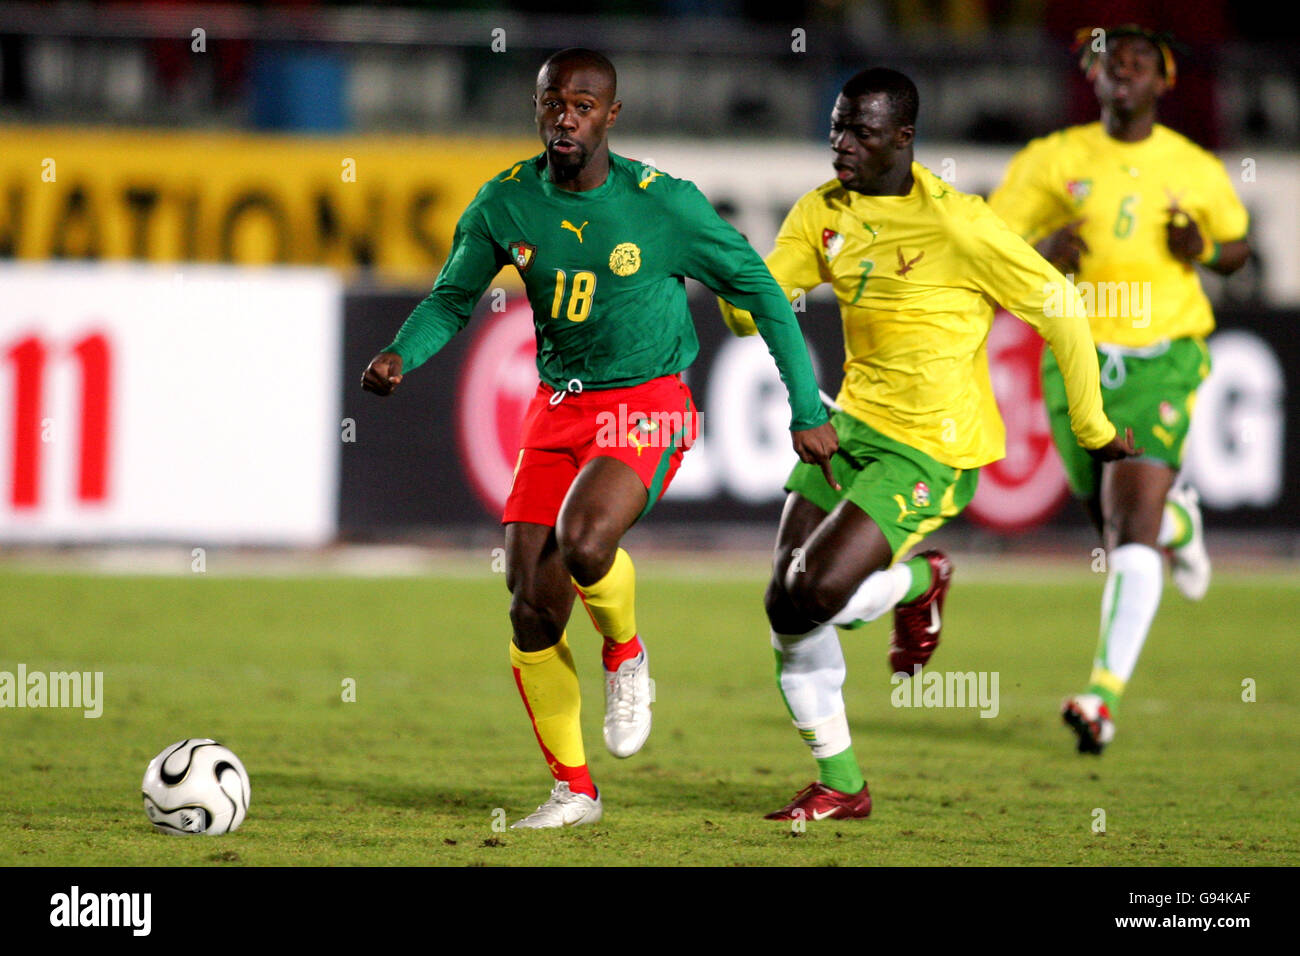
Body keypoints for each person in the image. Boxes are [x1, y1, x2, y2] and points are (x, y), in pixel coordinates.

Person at [361, 48, 838, 828]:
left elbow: (761, 292)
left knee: (585, 540)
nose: (565, 118)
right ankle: (575, 791)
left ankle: (626, 654)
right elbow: (451, 299)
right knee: (530, 609)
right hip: (558, 408)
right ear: (537, 108)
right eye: (553, 102)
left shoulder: (664, 204)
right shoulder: (506, 202)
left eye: (583, 106)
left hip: (648, 404)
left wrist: (806, 409)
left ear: (611, 116)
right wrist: (399, 354)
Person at [719, 67, 1137, 821]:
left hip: (930, 448)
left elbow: (1061, 307)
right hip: (851, 426)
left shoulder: (959, 225)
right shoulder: (822, 213)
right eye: (837, 127)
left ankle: (919, 581)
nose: (842, 145)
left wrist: (1093, 428)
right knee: (785, 604)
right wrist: (736, 276)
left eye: (862, 132)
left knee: (819, 592)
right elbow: (750, 315)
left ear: (903, 139)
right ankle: (842, 784)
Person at [988, 25, 1250, 755]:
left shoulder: (1193, 166)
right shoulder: (1053, 158)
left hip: (1161, 359)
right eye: (1112, 60)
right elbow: (989, 244)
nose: (1124, 69)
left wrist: (1205, 249)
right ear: (1094, 75)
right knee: (1113, 526)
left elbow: (1237, 248)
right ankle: (1180, 526)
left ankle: (1101, 697)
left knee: (1129, 530)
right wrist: (1041, 250)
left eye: (1140, 62)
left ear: (1164, 82)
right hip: (1076, 358)